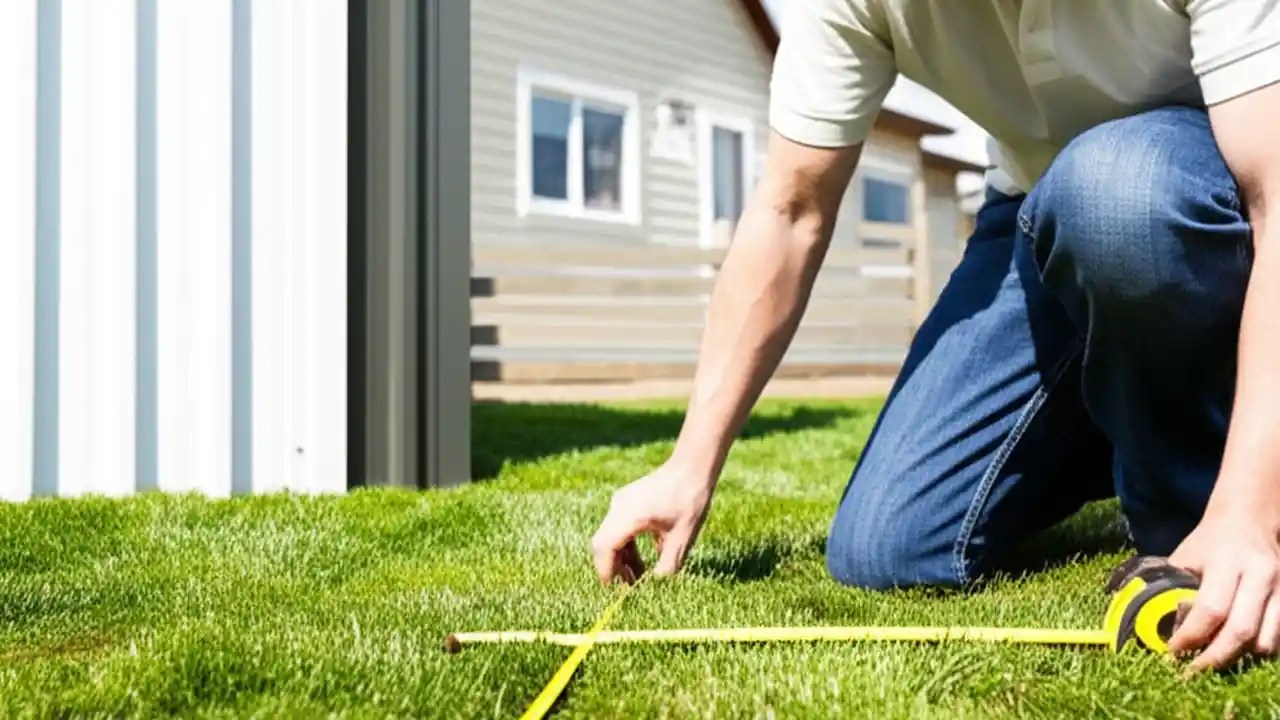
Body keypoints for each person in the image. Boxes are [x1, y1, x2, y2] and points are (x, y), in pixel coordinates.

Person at [590, 0, 1280, 671]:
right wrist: (689, 465)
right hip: (1032, 206)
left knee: (1114, 193)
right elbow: (790, 210)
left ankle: (1198, 515)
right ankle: (1123, 396)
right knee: (886, 547)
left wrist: (1250, 513)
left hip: (1198, 197)